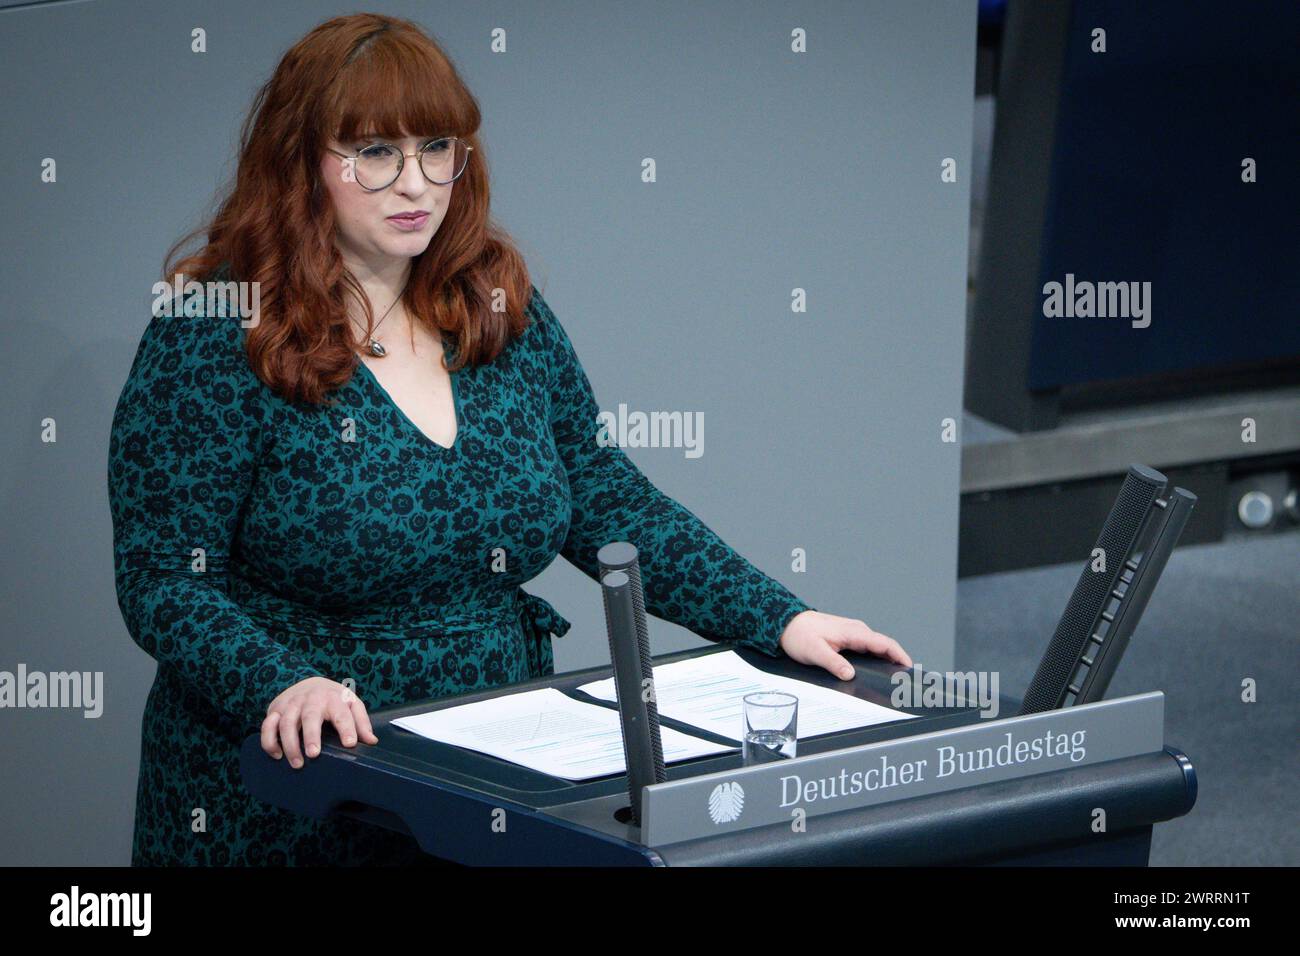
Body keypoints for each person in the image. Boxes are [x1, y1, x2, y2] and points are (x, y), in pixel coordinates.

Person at [108, 12, 912, 866]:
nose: (415, 184)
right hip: (296, 782)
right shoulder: (217, 329)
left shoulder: (490, 300)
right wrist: (282, 681)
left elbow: (600, 493)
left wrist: (778, 617)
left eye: (437, 149)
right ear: (302, 161)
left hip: (489, 775)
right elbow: (162, 579)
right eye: (375, 153)